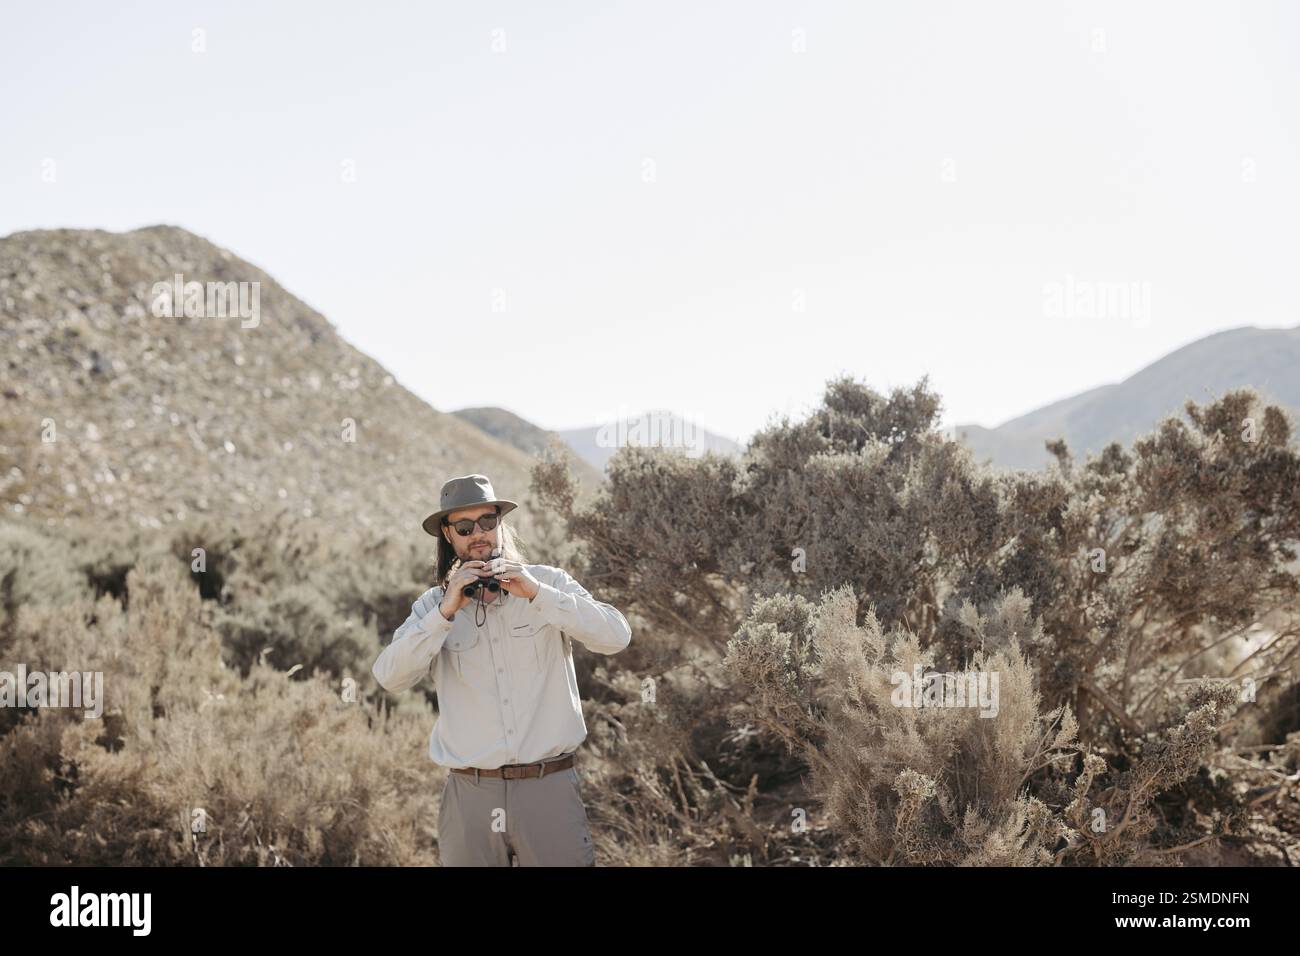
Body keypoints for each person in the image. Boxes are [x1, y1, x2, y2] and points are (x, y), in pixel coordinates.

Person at [371, 473, 632, 866]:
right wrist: (445, 613)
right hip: (469, 796)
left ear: (499, 522)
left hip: (548, 790)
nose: (479, 533)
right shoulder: (432, 605)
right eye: (464, 526)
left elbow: (616, 636)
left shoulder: (548, 582)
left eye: (487, 522)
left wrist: (539, 595)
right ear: (448, 534)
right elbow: (389, 677)